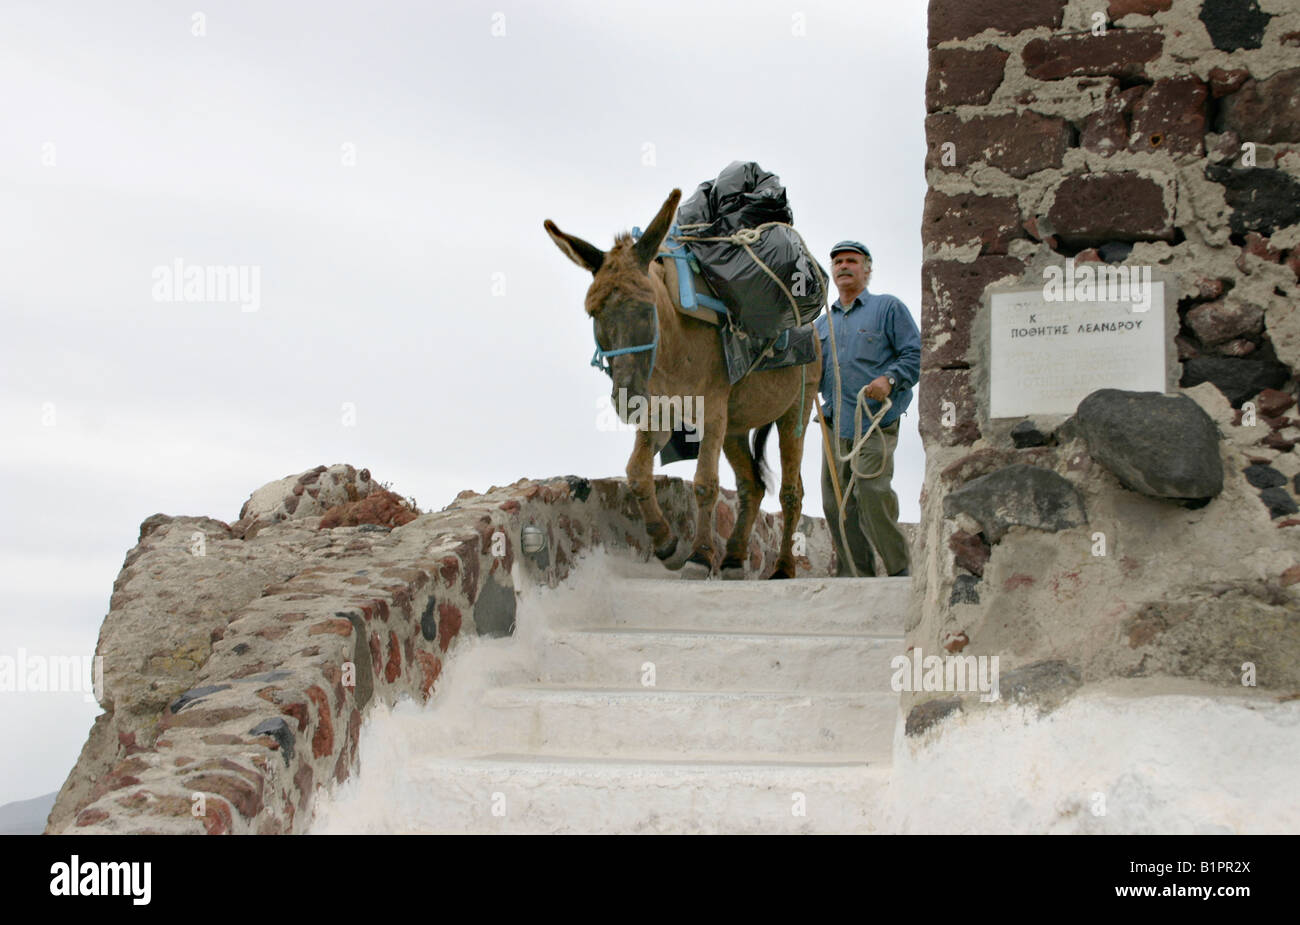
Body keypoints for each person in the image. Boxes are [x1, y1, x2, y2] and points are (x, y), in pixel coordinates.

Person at [814, 240, 920, 578]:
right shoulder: (821, 325)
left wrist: (889, 379)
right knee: (835, 505)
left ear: (867, 269)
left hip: (874, 422)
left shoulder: (888, 308)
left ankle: (900, 570)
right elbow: (811, 375)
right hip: (834, 425)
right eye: (838, 262)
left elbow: (915, 354)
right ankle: (854, 576)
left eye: (852, 261)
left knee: (872, 493)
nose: (844, 266)